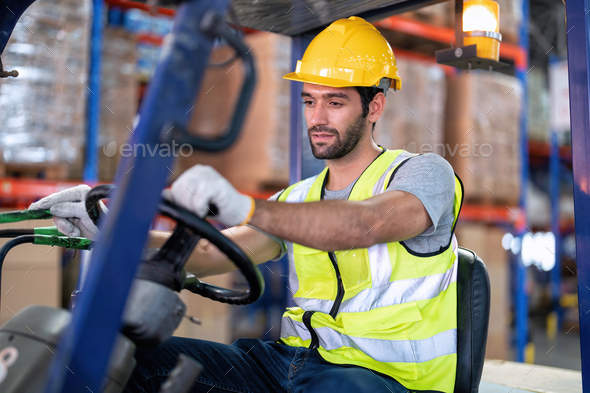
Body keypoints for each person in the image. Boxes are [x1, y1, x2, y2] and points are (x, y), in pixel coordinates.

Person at [31, 17, 463, 393]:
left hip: (385, 379)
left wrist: (248, 207)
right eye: (309, 101)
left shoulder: (424, 173)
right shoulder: (297, 198)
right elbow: (207, 252)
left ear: (375, 106)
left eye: (335, 102)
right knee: (125, 361)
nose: (317, 118)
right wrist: (110, 231)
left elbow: (365, 224)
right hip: (286, 366)